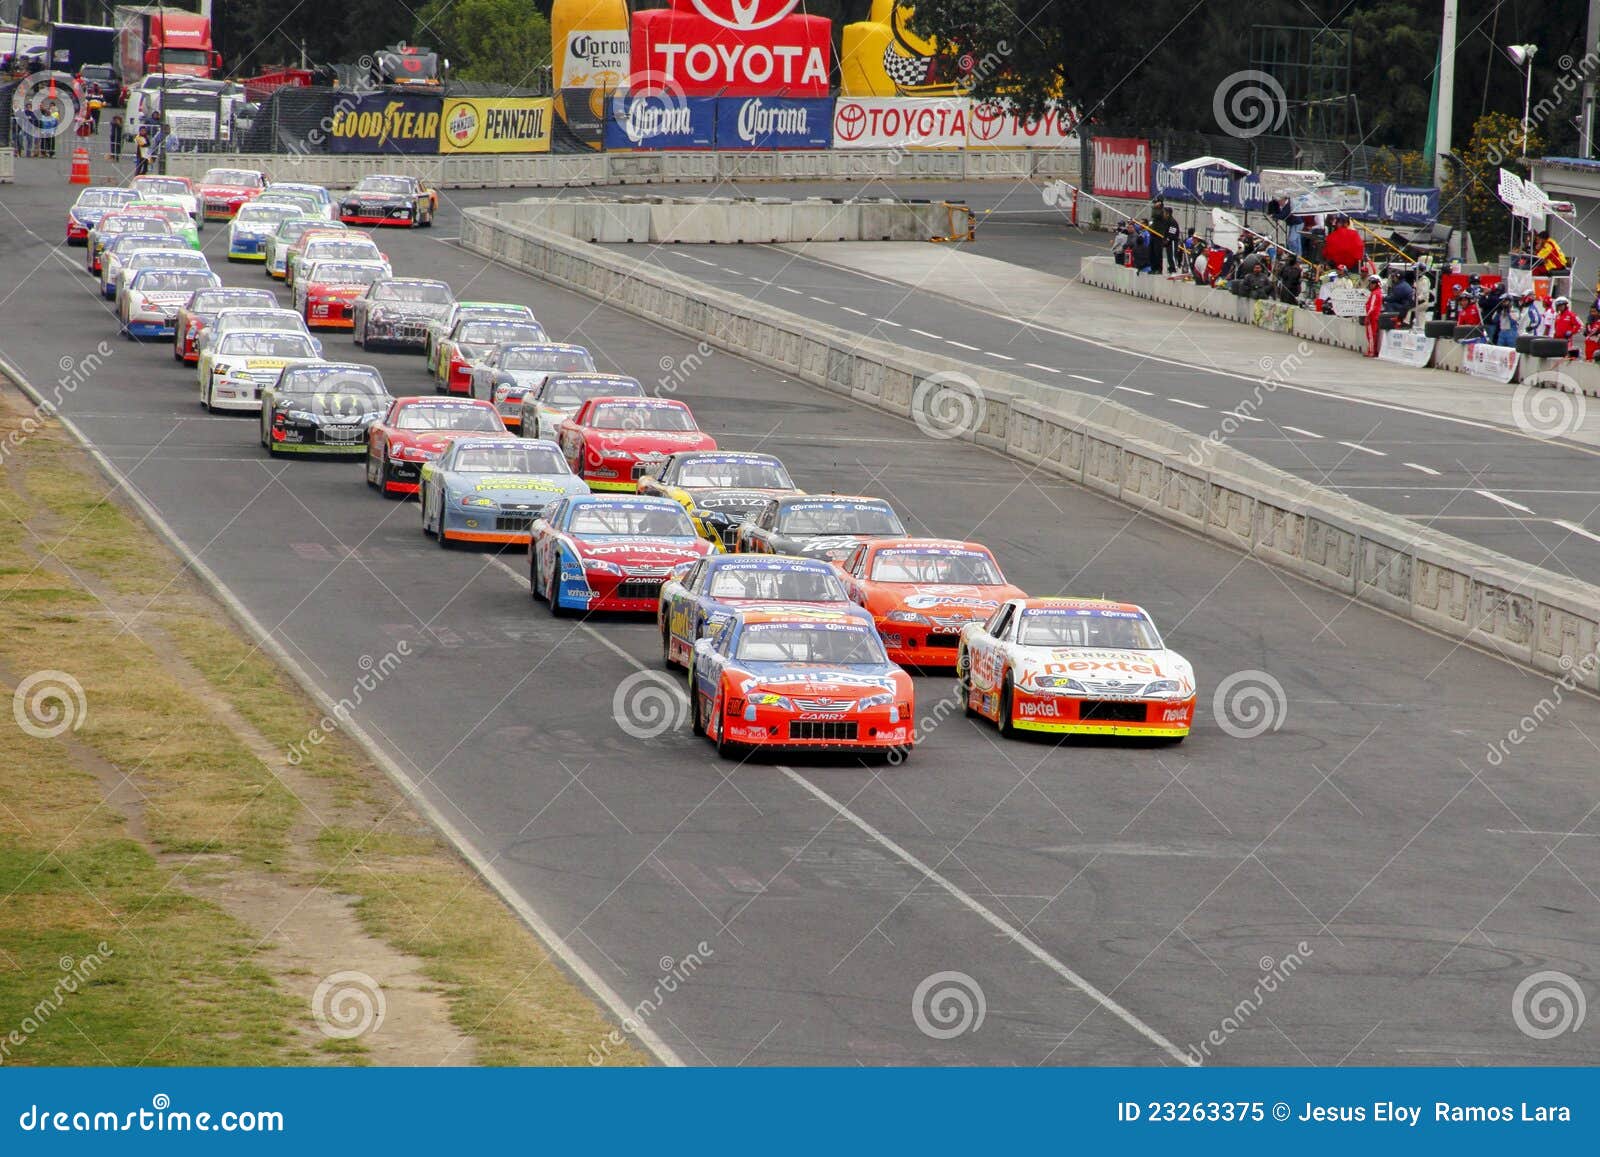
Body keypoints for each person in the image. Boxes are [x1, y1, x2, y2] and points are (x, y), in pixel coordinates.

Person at [1365, 273, 1384, 357]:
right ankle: (1371, 350)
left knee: (1371, 335)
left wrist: (1367, 316)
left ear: (1377, 283)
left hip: (1372, 316)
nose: (1371, 285)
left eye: (1373, 283)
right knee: (1371, 334)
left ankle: (1371, 351)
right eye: (1370, 283)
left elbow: (1372, 307)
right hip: (1373, 316)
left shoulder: (1375, 293)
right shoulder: (1377, 292)